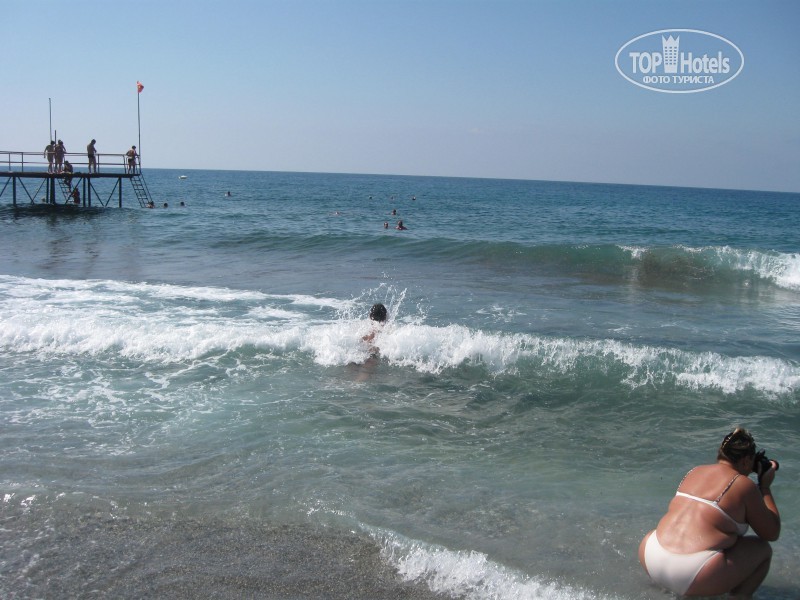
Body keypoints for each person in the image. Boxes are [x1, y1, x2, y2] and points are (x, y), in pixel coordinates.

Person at [639, 428, 780, 598]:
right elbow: (771, 533)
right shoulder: (743, 484)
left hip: (651, 556)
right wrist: (765, 487)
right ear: (746, 461)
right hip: (692, 573)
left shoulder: (694, 471)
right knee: (763, 550)